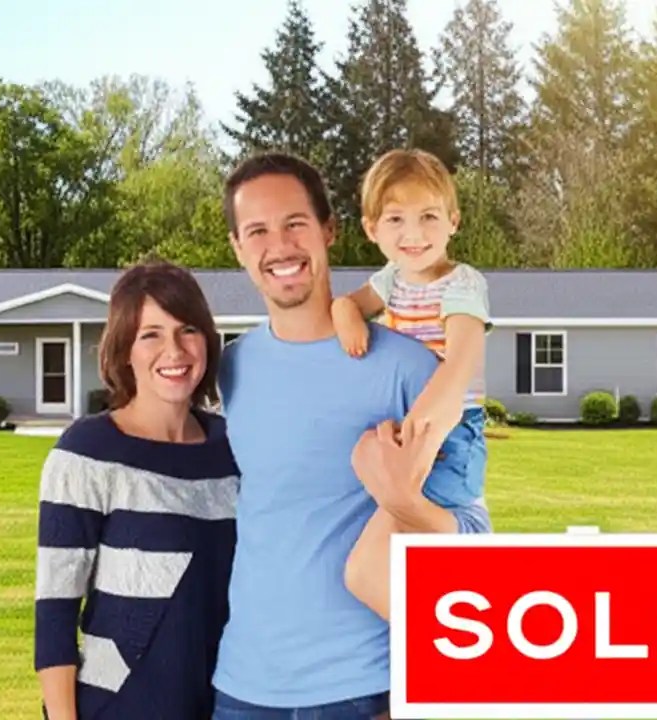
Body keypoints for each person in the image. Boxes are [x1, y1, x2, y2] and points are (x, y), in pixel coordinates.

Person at [210, 152, 491, 720]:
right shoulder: (232, 370)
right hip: (242, 691)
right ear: (238, 247)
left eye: (295, 224)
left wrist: (403, 502)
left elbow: (473, 540)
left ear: (329, 231)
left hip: (365, 694)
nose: (280, 246)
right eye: (258, 231)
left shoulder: (413, 368)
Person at [34, 261, 240, 720]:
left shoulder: (234, 448)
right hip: (118, 705)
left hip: (228, 702)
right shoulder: (87, 453)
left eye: (188, 330)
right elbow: (54, 615)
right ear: (124, 349)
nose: (174, 350)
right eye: (151, 334)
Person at [334, 147, 493, 620]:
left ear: (453, 221)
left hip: (449, 428)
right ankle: (437, 641)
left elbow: (459, 364)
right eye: (396, 219)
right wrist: (348, 318)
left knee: (367, 569)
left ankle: (466, 532)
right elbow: (347, 304)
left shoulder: (463, 283)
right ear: (372, 229)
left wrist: (417, 436)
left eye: (428, 216)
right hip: (409, 428)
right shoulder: (391, 281)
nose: (414, 234)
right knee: (367, 569)